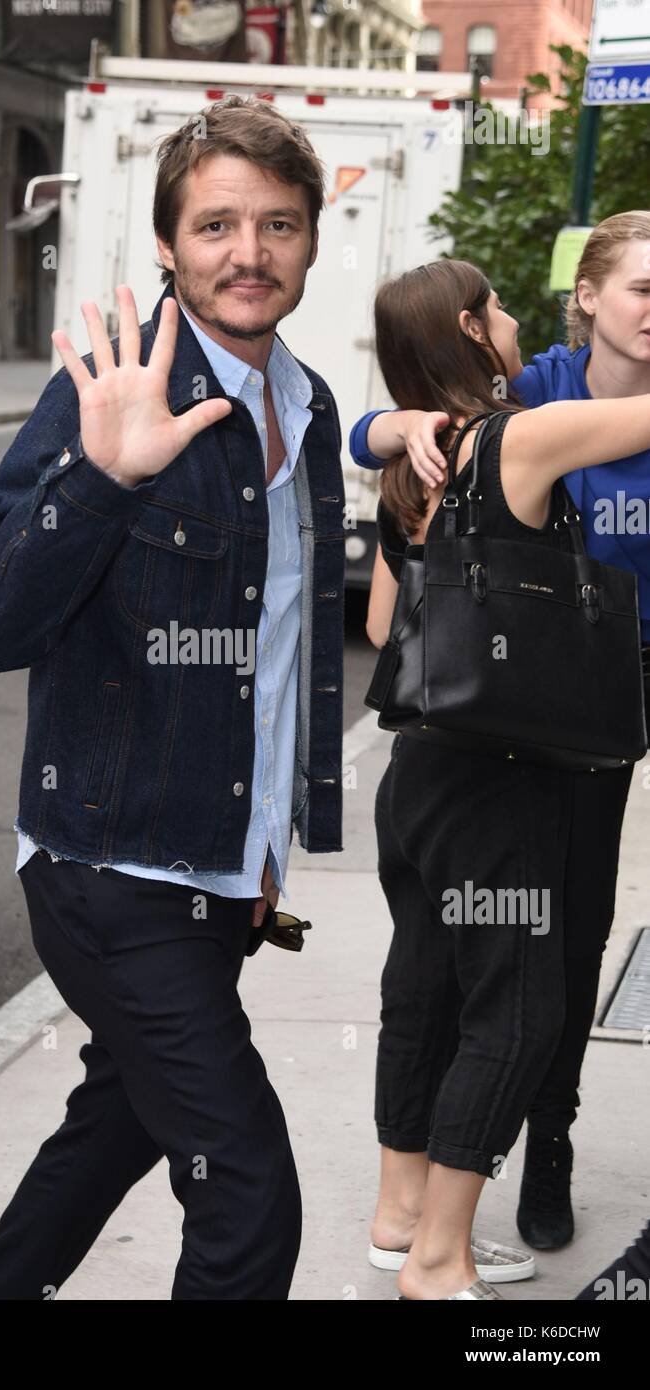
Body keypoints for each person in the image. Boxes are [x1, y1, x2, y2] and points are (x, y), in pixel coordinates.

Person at [0, 95, 346, 1299]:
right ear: (167, 245)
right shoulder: (114, 388)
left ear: (311, 241)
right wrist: (105, 479)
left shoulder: (308, 407)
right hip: (109, 869)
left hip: (220, 872)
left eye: (277, 224)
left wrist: (273, 832)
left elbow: (281, 644)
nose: (248, 252)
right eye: (215, 224)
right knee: (249, 1198)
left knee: (113, 1127)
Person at [352, 212, 650, 1256]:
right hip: (506, 772)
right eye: (498, 307)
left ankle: (405, 1218)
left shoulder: (413, 459)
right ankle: (437, 1256)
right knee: (518, 1007)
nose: (515, 318)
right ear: (477, 332)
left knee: (425, 983)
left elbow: (383, 628)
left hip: (427, 769)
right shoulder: (519, 430)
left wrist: (386, 430)